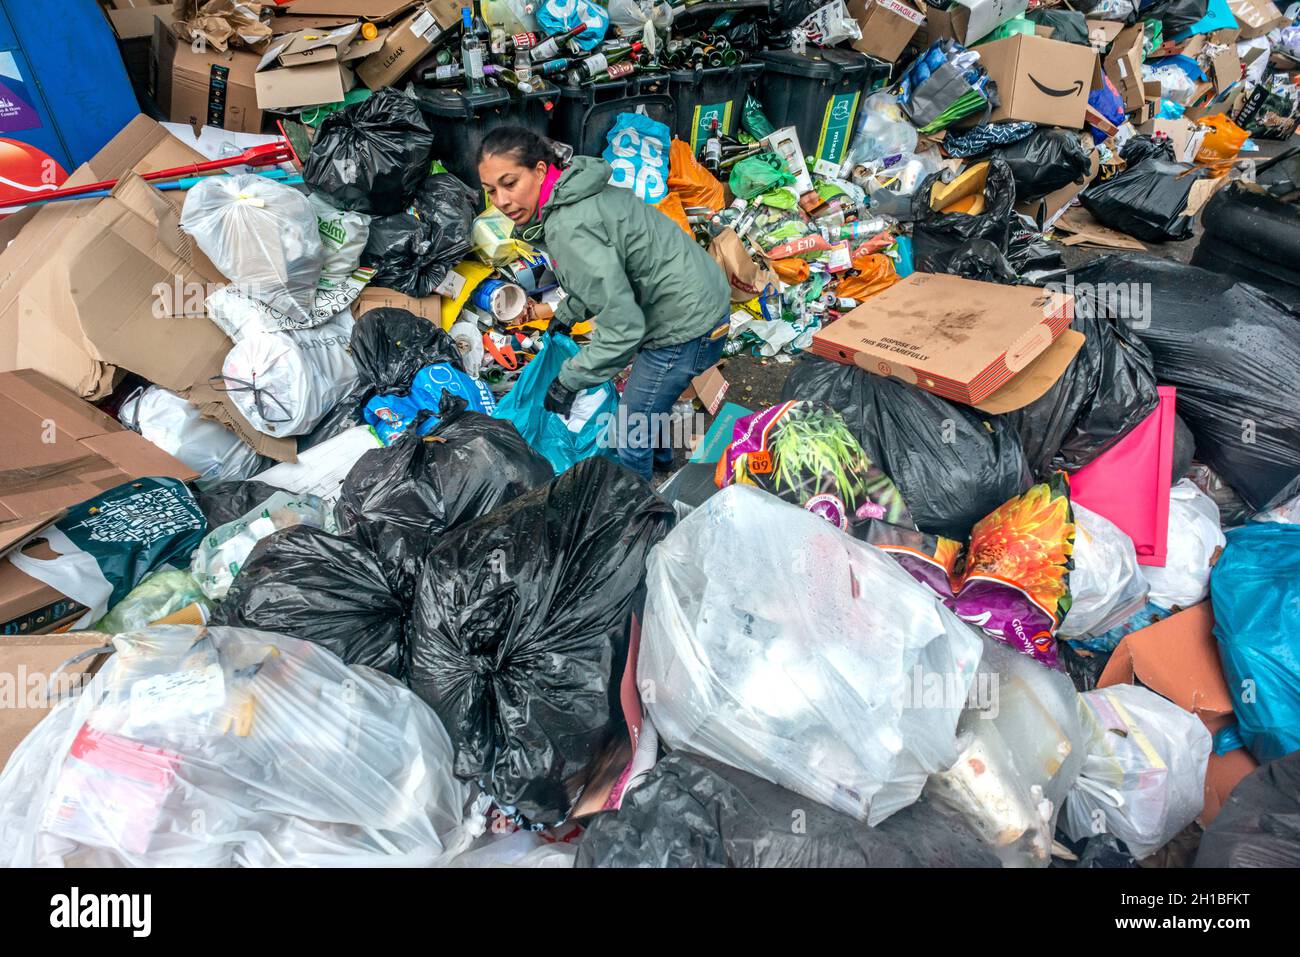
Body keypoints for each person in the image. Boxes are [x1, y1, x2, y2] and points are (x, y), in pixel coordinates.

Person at [476, 126, 731, 481]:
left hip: (686, 323)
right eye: (491, 191)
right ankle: (662, 465)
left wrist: (568, 380)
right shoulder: (574, 192)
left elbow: (623, 329)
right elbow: (604, 278)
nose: (501, 200)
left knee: (629, 432)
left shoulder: (568, 226)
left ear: (538, 171)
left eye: (510, 183)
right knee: (648, 403)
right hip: (697, 300)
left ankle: (640, 518)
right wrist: (566, 315)